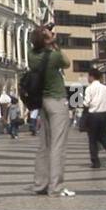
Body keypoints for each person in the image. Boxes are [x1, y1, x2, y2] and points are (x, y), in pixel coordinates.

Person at [29, 24, 75, 197]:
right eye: (50, 34)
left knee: (44, 145)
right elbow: (67, 63)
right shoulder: (54, 56)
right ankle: (55, 187)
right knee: (57, 146)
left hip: (43, 101)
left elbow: (37, 46)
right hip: (57, 100)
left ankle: (40, 184)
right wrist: (55, 44)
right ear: (46, 40)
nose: (53, 34)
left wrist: (45, 38)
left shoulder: (31, 55)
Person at [82, 69, 106, 168]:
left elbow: (86, 102)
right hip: (104, 115)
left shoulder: (89, 88)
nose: (88, 78)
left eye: (88, 76)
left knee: (92, 139)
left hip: (93, 116)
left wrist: (82, 104)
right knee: (104, 137)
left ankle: (95, 162)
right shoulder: (105, 88)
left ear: (92, 77)